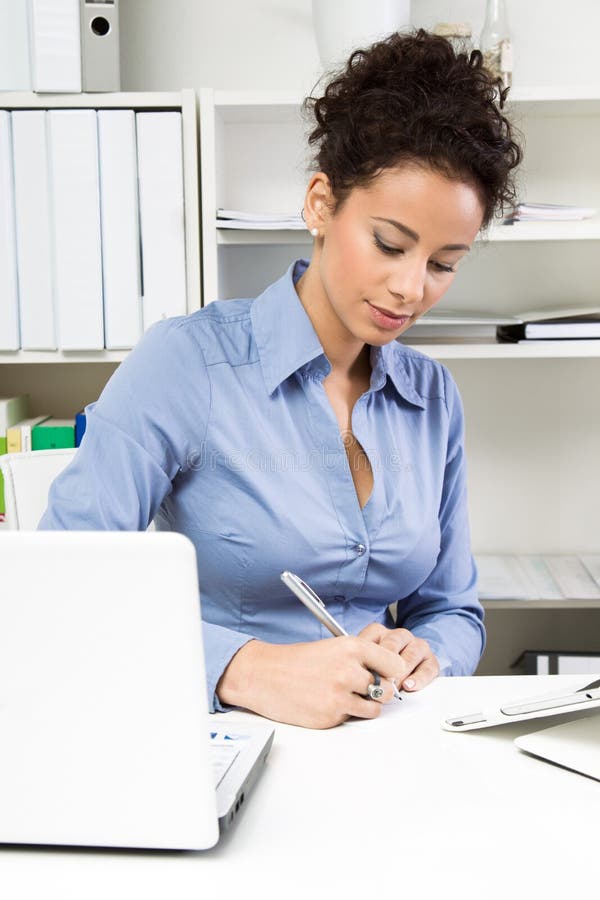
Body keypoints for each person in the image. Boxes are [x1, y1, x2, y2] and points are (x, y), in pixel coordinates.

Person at [39, 29, 522, 729]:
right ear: (321, 204)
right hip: (211, 737)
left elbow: (452, 609)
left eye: (444, 263)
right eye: (389, 243)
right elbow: (59, 587)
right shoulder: (187, 365)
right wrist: (245, 668)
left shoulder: (432, 397)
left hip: (386, 745)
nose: (411, 288)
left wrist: (428, 653)